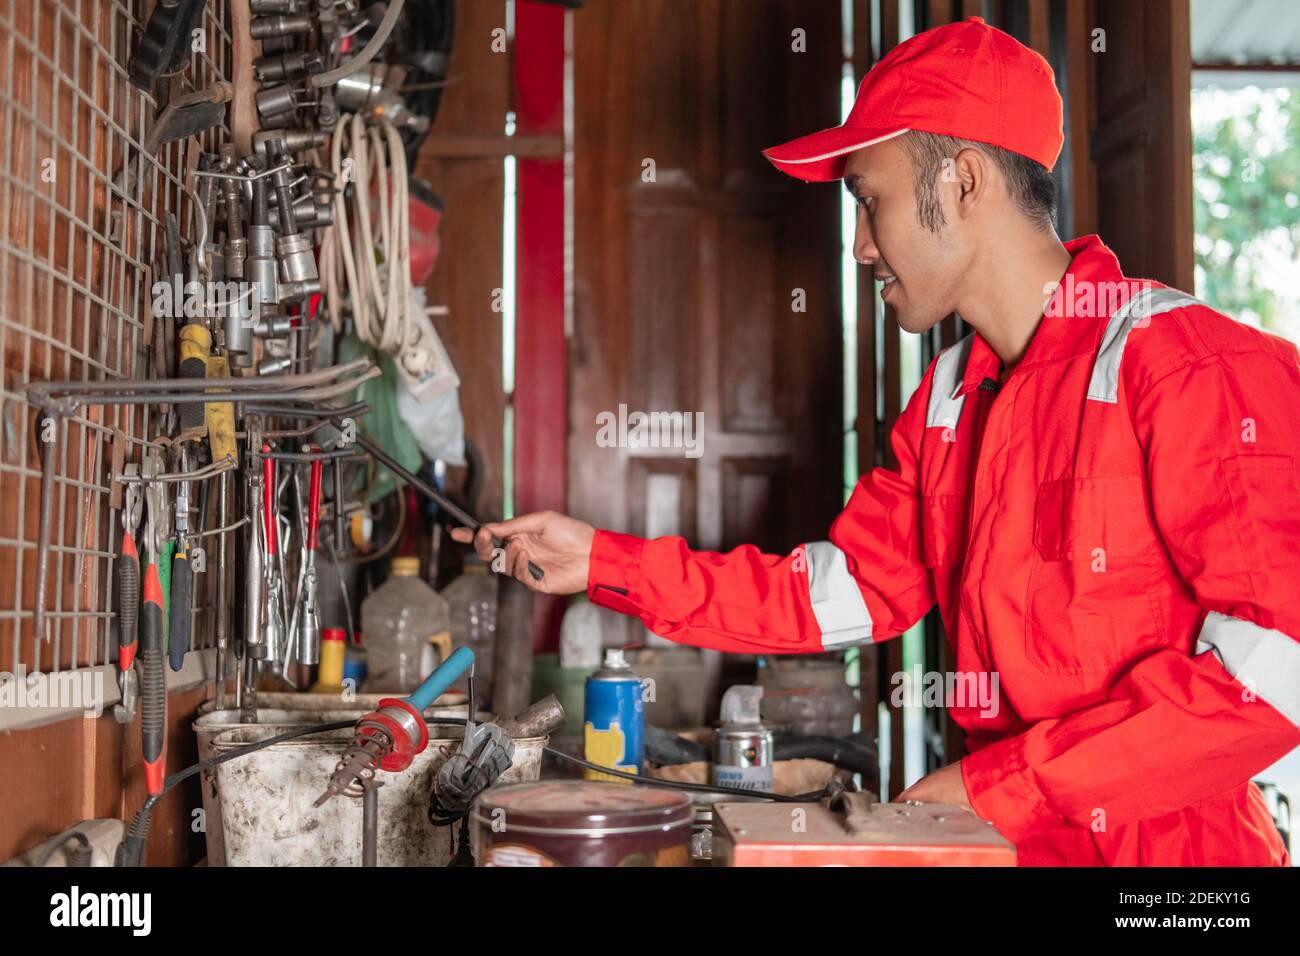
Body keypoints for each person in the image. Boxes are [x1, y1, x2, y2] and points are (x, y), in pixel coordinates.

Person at [452, 17, 1300, 866]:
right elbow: (833, 594)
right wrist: (601, 560)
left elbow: (1276, 676)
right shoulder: (947, 400)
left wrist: (997, 788)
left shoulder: (1189, 363)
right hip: (1007, 845)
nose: (860, 246)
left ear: (965, 182)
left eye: (869, 199)